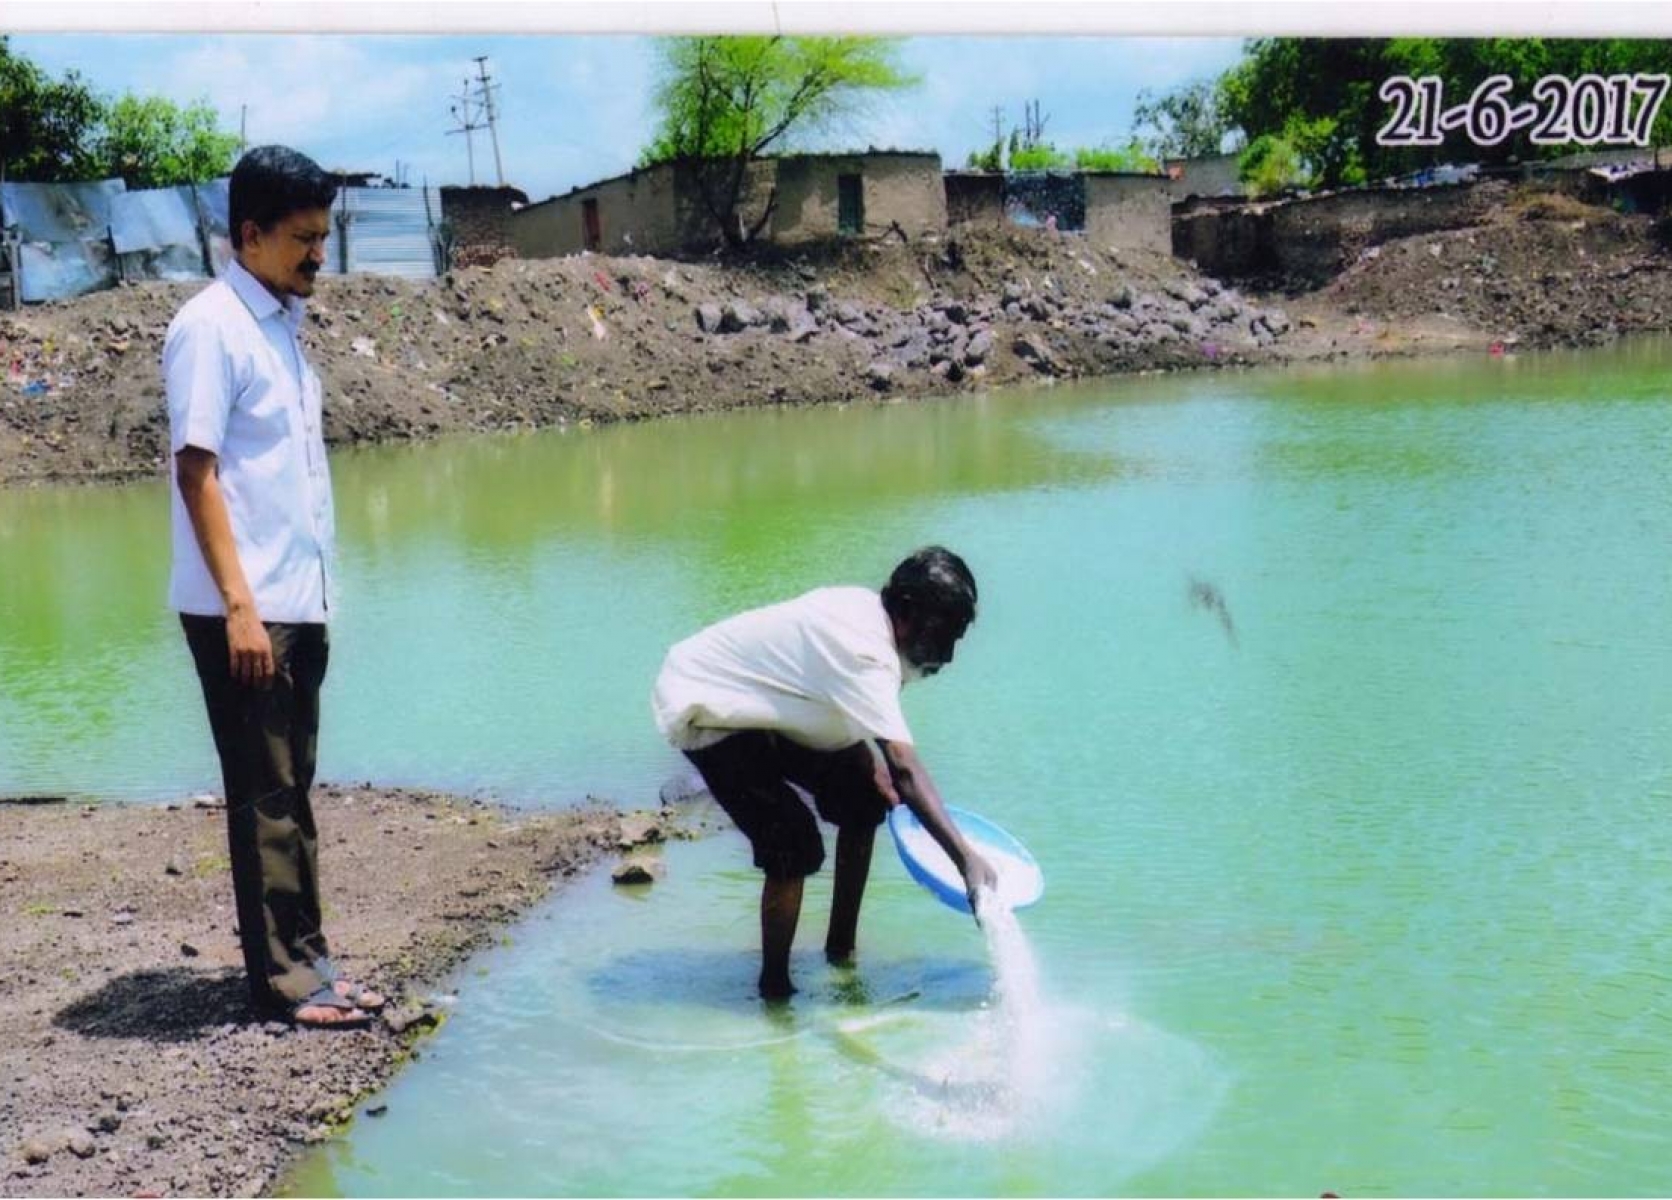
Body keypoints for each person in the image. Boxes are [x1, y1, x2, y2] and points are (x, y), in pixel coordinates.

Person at [165, 145, 383, 1029]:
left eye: (324, 238)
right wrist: (241, 609)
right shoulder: (210, 327)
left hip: (298, 603)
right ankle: (286, 985)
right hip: (247, 612)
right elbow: (196, 471)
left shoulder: (280, 327)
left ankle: (310, 961)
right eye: (302, 239)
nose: (317, 257)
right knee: (264, 798)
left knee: (294, 793)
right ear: (249, 235)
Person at [652, 546, 999, 1000]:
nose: (948, 654)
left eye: (955, 638)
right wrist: (966, 859)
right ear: (907, 611)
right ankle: (775, 991)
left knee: (865, 797)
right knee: (793, 843)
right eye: (941, 633)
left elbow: (829, 696)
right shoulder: (863, 649)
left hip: (771, 707)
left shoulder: (871, 617)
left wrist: (859, 758)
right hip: (707, 707)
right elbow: (905, 769)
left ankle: (841, 951)